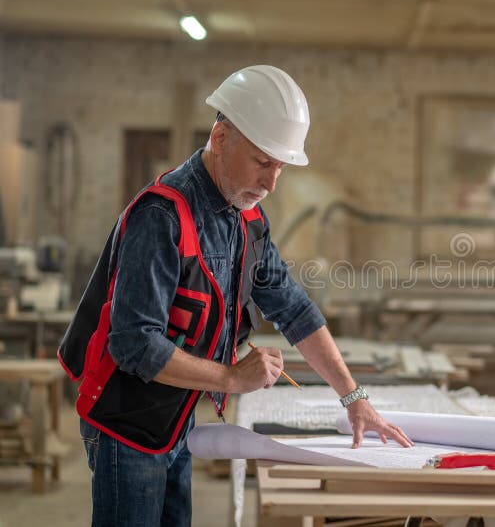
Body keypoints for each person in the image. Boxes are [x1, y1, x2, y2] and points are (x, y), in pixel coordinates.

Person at [58, 65, 413, 527]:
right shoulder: (161, 216)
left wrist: (355, 398)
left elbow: (293, 307)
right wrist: (231, 377)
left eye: (280, 167)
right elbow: (134, 344)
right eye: (263, 163)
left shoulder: (246, 217)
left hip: (174, 419)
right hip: (126, 424)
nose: (271, 183)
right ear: (221, 137)